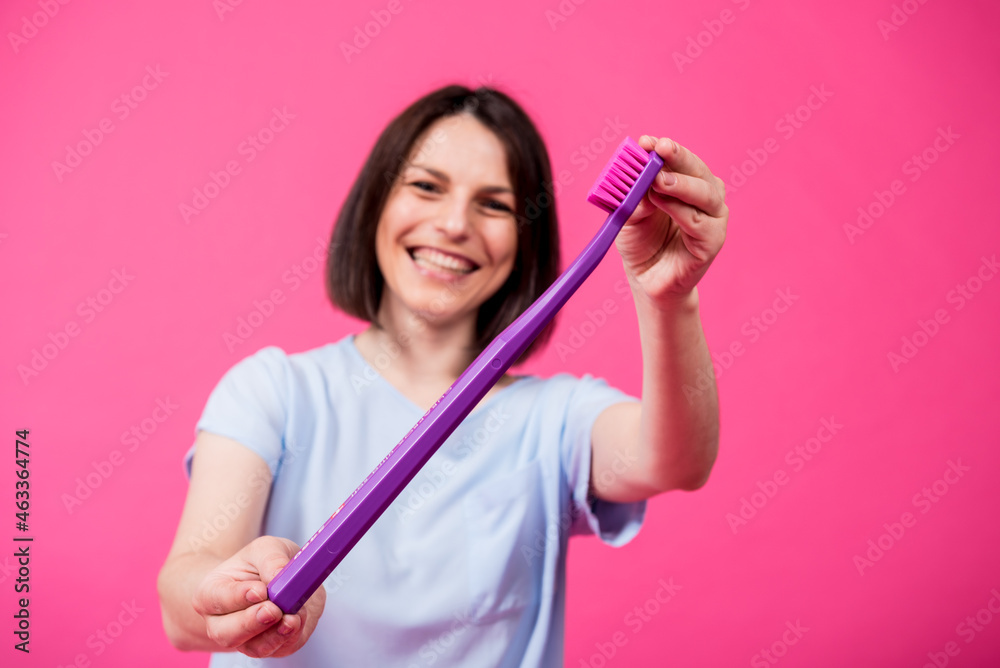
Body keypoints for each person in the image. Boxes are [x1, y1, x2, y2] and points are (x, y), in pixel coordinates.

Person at [157, 83, 727, 666]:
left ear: (526, 239)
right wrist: (235, 595)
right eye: (426, 187)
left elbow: (675, 461)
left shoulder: (556, 420)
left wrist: (669, 300)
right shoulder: (273, 392)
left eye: (495, 204)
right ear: (375, 204)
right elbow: (184, 606)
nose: (455, 224)